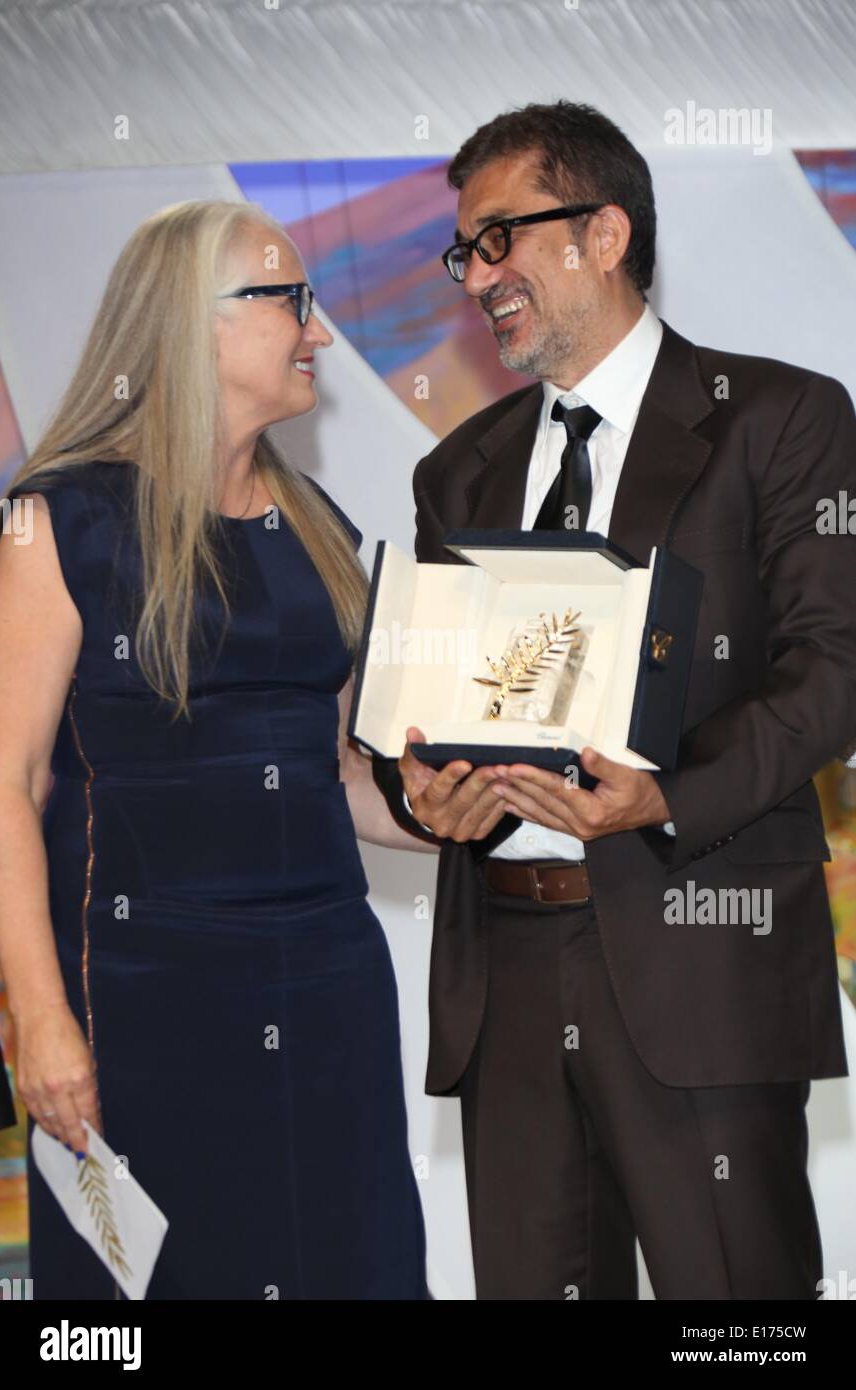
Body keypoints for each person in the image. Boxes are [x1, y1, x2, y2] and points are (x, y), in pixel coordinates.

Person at [373, 100, 856, 1299]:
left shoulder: (781, 418)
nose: (476, 276)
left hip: (699, 955)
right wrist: (420, 785)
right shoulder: (459, 466)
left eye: (500, 240)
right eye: (463, 251)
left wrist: (661, 799)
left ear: (600, 231)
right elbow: (429, 705)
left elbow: (832, 669)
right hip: (507, 973)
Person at [0, 199, 436, 1299]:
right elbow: (3, 782)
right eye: (291, 301)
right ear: (194, 322)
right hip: (145, 1002)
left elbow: (340, 776)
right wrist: (42, 1021)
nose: (318, 332)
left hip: (328, 990)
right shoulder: (56, 522)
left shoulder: (316, 524)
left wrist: (442, 810)